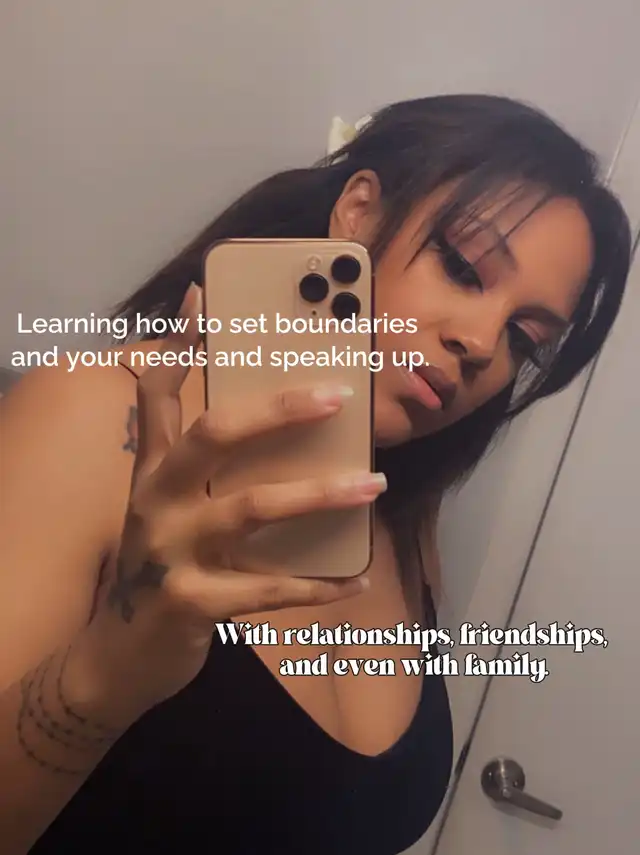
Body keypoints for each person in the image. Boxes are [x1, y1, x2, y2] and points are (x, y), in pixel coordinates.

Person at [0, 94, 632, 854]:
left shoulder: (402, 510)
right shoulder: (90, 417)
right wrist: (107, 673)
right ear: (358, 213)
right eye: (463, 267)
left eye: (524, 339)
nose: (479, 341)